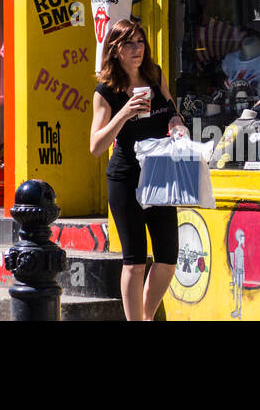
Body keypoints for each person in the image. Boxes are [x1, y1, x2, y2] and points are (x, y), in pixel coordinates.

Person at [89, 19, 185, 321]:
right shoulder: (106, 91)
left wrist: (176, 123)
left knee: (168, 257)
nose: (137, 49)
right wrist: (124, 113)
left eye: (140, 42)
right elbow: (95, 146)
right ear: (115, 50)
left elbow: (170, 108)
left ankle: (146, 316)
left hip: (159, 173)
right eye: (129, 44)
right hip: (126, 177)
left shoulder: (154, 75)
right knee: (134, 260)